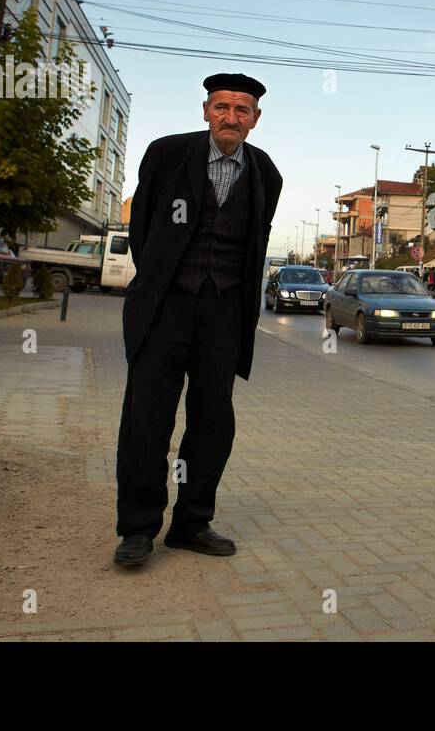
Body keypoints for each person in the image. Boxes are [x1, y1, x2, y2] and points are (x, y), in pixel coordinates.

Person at [115, 72, 284, 569]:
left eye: (242, 110)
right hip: (166, 306)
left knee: (212, 423)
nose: (231, 117)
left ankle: (191, 523)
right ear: (206, 110)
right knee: (147, 419)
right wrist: (162, 283)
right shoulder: (167, 153)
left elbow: (255, 238)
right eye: (222, 107)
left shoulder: (265, 172)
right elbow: (142, 228)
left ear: (255, 120)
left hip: (224, 312)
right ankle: (139, 529)